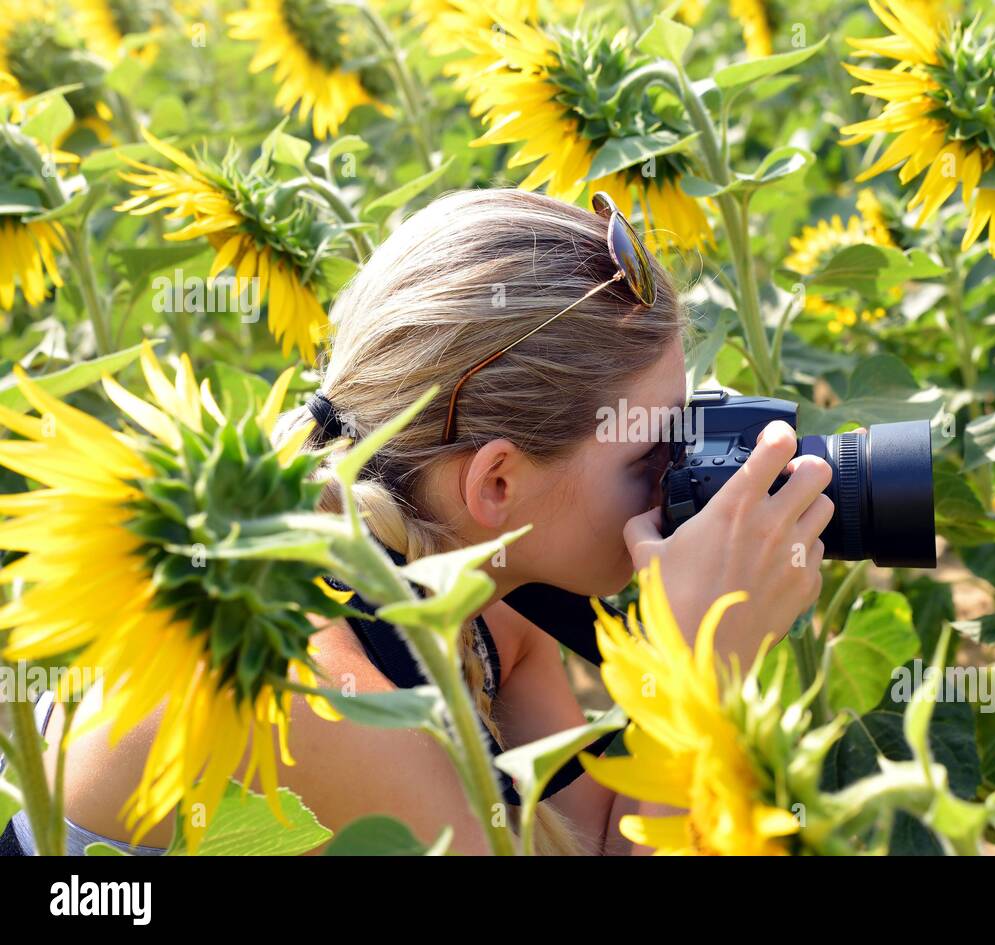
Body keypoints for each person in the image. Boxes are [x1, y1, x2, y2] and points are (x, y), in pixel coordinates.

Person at [2, 188, 833, 856]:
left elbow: (610, 834)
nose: (676, 478)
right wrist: (701, 663)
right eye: (644, 454)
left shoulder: (480, 584)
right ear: (497, 482)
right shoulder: (327, 697)